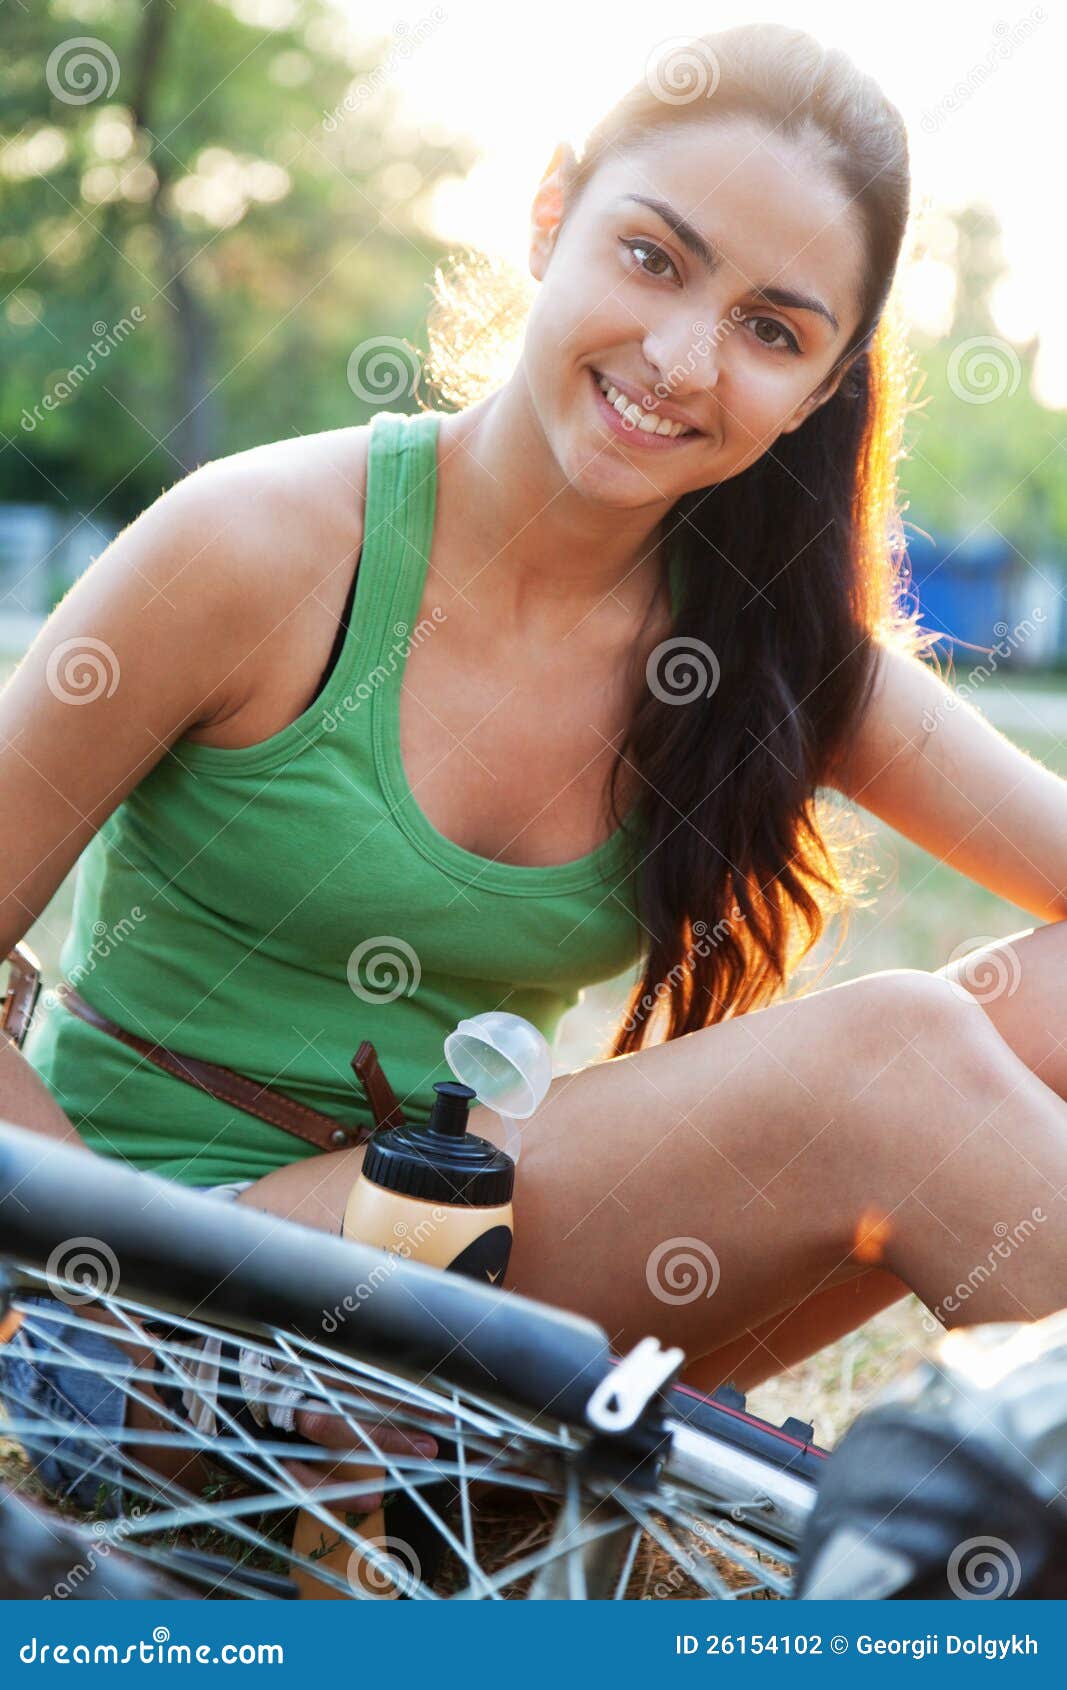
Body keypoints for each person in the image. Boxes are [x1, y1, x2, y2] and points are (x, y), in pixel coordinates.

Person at [2, 23, 1066, 1514]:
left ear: (827, 387)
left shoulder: (758, 649)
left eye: (773, 329)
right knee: (888, 1060)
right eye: (654, 258)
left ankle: (636, 1468)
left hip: (475, 1280)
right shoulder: (254, 545)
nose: (683, 358)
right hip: (175, 1307)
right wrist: (102, 1305)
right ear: (551, 213)